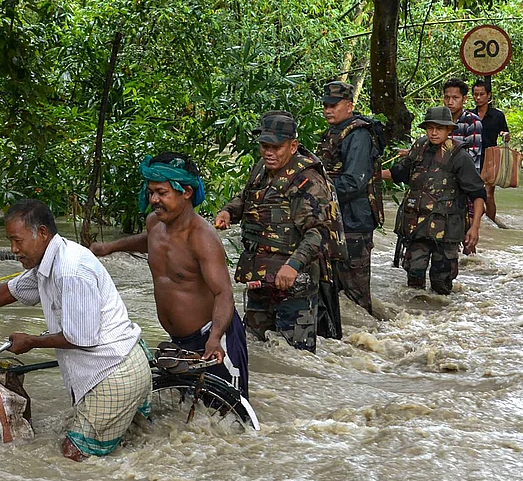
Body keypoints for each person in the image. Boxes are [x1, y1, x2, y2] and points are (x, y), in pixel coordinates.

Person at [0, 199, 150, 461]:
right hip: (119, 363)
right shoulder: (48, 261)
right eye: (10, 241)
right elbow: (9, 292)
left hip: (113, 374)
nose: (13, 249)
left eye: (17, 241)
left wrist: (32, 342)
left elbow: (82, 337)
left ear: (42, 233)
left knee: (72, 460)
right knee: (136, 445)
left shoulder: (70, 271)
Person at [89, 153, 249, 397]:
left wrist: (215, 338)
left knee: (229, 413)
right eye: (151, 192)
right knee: (188, 414)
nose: (154, 199)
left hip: (212, 339)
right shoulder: (155, 223)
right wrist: (110, 247)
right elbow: (151, 242)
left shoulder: (201, 237)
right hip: (178, 341)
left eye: (162, 193)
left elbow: (224, 293)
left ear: (186, 192)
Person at [214, 111, 345, 352]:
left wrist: (293, 266)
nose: (269, 152)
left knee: (295, 356)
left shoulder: (306, 181)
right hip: (260, 277)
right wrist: (228, 212)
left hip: (294, 283)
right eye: (264, 146)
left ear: (293, 146)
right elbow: (246, 199)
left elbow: (317, 233)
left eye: (276, 147)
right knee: (253, 349)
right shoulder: (261, 170)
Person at [381, 106, 487, 296]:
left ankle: (443, 319)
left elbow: (478, 194)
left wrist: (474, 227)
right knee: (414, 281)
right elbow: (397, 174)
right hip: (417, 228)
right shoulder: (419, 149)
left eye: (439, 128)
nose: (434, 132)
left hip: (446, 232)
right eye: (430, 128)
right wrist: (369, 175)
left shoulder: (459, 156)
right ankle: (416, 320)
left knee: (441, 285)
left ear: (449, 130)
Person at [315, 81, 381, 316]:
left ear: (349, 106)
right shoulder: (332, 133)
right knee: (332, 290)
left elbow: (354, 182)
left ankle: (365, 341)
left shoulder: (358, 135)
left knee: (355, 293)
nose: (328, 110)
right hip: (335, 221)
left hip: (354, 223)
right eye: (325, 105)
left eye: (333, 105)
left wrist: (317, 196)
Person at [471, 79, 510, 227]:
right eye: (475, 94)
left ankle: (491, 225)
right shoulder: (469, 115)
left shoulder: (497, 115)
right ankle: (476, 221)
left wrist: (504, 135)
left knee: (488, 194)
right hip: (472, 156)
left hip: (490, 158)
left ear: (489, 95)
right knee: (473, 193)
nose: (478, 98)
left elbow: (505, 132)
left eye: (481, 94)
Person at [443, 77, 484, 172]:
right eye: (447, 97)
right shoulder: (440, 121)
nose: (450, 102)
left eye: (455, 98)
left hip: (466, 178)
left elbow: (472, 154)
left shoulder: (472, 121)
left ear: (464, 99)